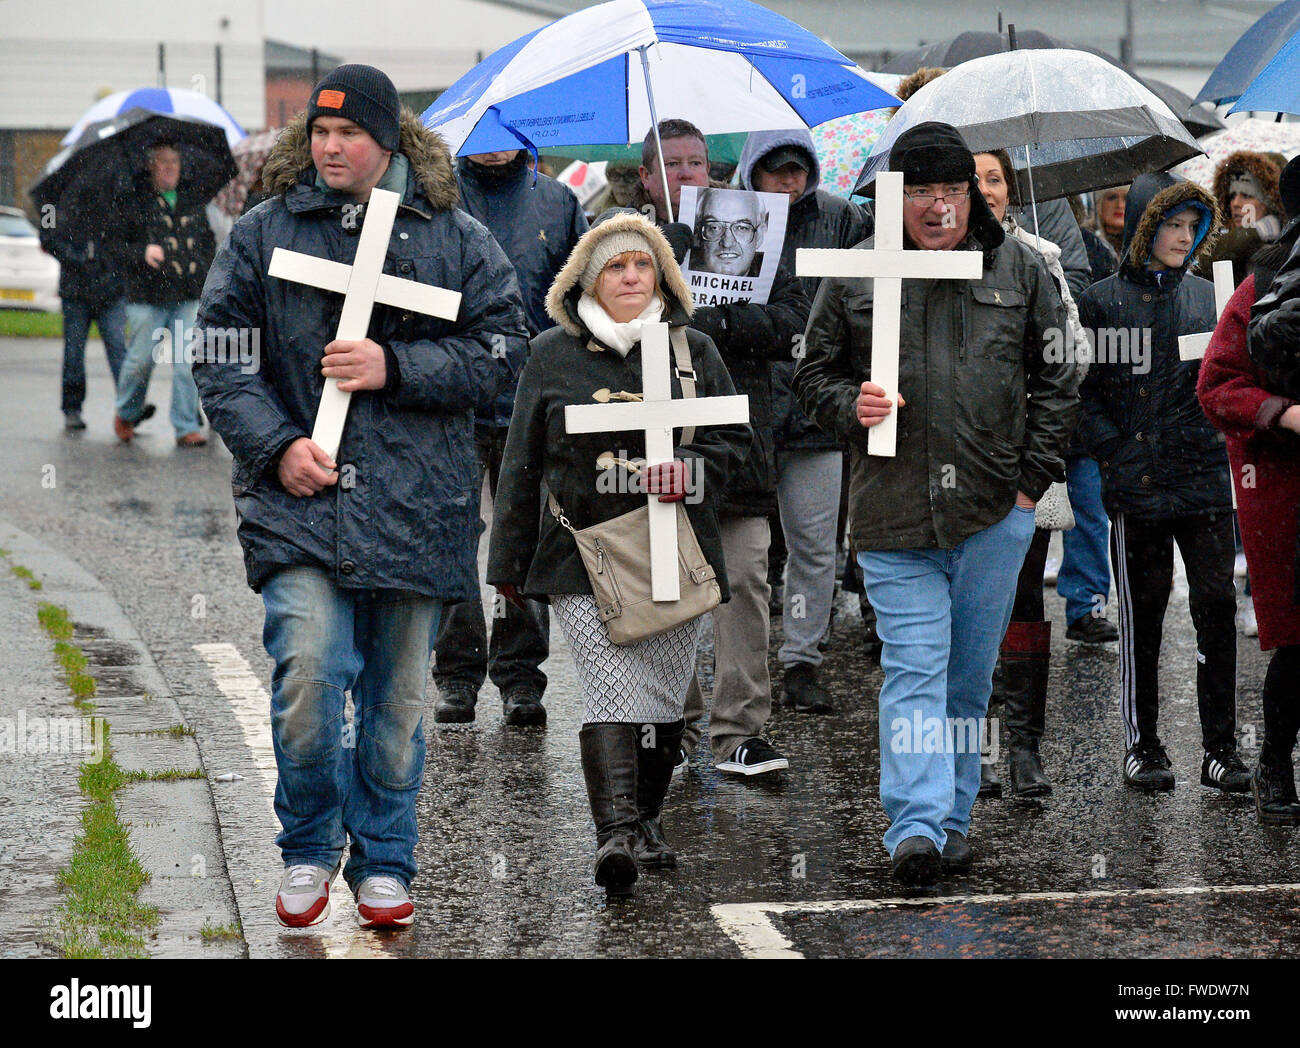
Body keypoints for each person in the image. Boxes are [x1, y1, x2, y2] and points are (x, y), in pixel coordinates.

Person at [191, 64, 528, 929]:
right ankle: (308, 847)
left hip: (419, 510)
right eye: (320, 133)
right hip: (298, 501)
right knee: (310, 674)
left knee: (395, 706)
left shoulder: (453, 236)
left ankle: (384, 859)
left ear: (388, 141)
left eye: (349, 134)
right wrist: (276, 448)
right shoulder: (266, 233)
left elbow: (505, 347)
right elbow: (223, 353)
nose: (331, 147)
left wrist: (399, 366)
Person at [795, 122, 1078, 885]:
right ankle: (913, 827)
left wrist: (1030, 484)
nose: (937, 205)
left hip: (994, 510)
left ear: (971, 195)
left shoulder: (1020, 267)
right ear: (896, 196)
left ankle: (952, 817)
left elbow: (1057, 377)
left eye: (950, 189)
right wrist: (846, 403)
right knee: (914, 666)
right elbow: (812, 373)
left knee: (965, 677)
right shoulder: (858, 271)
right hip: (892, 509)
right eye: (919, 190)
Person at [486, 212, 751, 895]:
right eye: (614, 266)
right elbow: (521, 463)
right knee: (610, 690)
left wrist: (688, 470)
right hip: (582, 554)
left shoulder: (693, 350)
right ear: (586, 282)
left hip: (677, 549)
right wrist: (507, 571)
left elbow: (739, 447)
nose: (631, 276)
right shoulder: (551, 353)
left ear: (661, 274)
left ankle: (647, 819)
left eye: (642, 264)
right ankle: (617, 833)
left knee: (662, 699)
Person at [636, 119, 811, 776]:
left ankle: (739, 729)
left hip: (737, 439)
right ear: (648, 178)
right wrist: (664, 259)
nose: (691, 175)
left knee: (742, 579)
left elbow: (793, 320)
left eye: (699, 162)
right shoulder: (621, 241)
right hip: (656, 445)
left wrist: (720, 321)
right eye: (675, 164)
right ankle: (671, 725)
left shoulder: (753, 226)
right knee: (666, 588)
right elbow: (595, 321)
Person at [1077, 172, 1249, 795]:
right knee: (1141, 617)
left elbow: (1229, 381)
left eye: (1192, 226)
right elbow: (1082, 393)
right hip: (1138, 488)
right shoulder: (1100, 301)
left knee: (1216, 610)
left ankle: (1222, 748)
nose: (1183, 236)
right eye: (1171, 224)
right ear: (1147, 227)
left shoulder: (1212, 298)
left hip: (1204, 482)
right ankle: (1143, 743)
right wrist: (1115, 452)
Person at [430, 146, 588, 727]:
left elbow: (578, 295)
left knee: (524, 539)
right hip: (457, 400)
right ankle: (456, 673)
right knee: (451, 539)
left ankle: (522, 675)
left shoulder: (557, 201)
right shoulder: (438, 198)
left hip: (532, 400)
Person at [738, 128, 872, 713]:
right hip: (745, 412)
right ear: (753, 171)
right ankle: (736, 665)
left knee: (815, 545)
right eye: (774, 167)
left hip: (817, 413)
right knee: (740, 550)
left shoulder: (843, 218)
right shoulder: (729, 220)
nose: (788, 178)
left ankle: (801, 659)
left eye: (797, 167)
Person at [972, 149, 1089, 799]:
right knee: (965, 610)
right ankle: (976, 750)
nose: (984, 189)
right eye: (973, 178)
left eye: (994, 178)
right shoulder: (931, 257)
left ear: (1010, 192)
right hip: (958, 466)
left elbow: (1069, 360)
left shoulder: (1041, 257)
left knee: (1020, 601)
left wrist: (1037, 461)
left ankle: (1023, 748)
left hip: (1023, 462)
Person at [1201, 155, 1300, 825]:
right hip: (1288, 488)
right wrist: (1284, 413)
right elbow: (1215, 387)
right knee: (1299, 641)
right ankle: (1274, 765)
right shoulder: (1264, 286)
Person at [109, 140, 215, 446]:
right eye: (162, 162)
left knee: (187, 363)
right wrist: (142, 251)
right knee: (141, 361)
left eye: (174, 162)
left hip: (187, 294)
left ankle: (185, 426)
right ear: (151, 166)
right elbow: (114, 246)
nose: (169, 169)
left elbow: (207, 241)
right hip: (147, 295)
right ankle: (127, 412)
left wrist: (203, 266)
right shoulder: (134, 201)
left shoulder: (193, 200)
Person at [39, 186, 130, 431]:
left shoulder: (114, 196)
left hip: (110, 288)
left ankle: (129, 409)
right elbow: (47, 238)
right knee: (74, 351)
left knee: (118, 349)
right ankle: (72, 408)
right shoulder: (55, 201)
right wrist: (76, 255)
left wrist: (105, 259)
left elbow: (124, 236)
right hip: (75, 290)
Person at [1198, 151, 1285, 286]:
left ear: (1270, 204)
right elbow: (1206, 263)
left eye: (1246, 195)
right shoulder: (1221, 242)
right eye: (1232, 196)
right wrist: (1256, 231)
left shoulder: (1292, 247)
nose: (1235, 203)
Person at [689, 188, 767, 277]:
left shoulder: (779, 281)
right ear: (698, 234)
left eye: (741, 228)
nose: (727, 243)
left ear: (760, 236)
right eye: (714, 227)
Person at [1096, 185, 1128, 258]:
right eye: (1112, 198)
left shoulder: (1150, 246)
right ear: (1100, 204)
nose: (1120, 205)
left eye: (1127, 198)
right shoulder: (1086, 244)